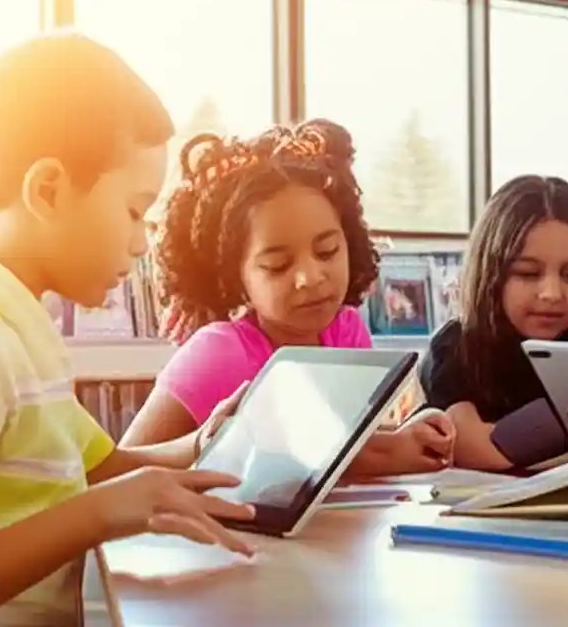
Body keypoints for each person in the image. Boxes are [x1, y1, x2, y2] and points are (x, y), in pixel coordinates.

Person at [0, 33, 254, 627]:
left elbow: (102, 469)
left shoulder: (14, 328)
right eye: (134, 211)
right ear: (49, 191)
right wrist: (95, 515)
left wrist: (205, 441)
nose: (141, 242)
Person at [120, 122, 455, 475]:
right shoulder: (218, 353)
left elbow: (345, 446)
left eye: (326, 251)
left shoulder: (347, 332)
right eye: (277, 266)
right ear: (238, 277)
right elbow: (121, 472)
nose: (310, 278)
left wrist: (414, 433)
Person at [419, 175, 568, 470]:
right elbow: (478, 450)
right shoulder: (456, 346)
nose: (552, 294)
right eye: (527, 273)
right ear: (490, 274)